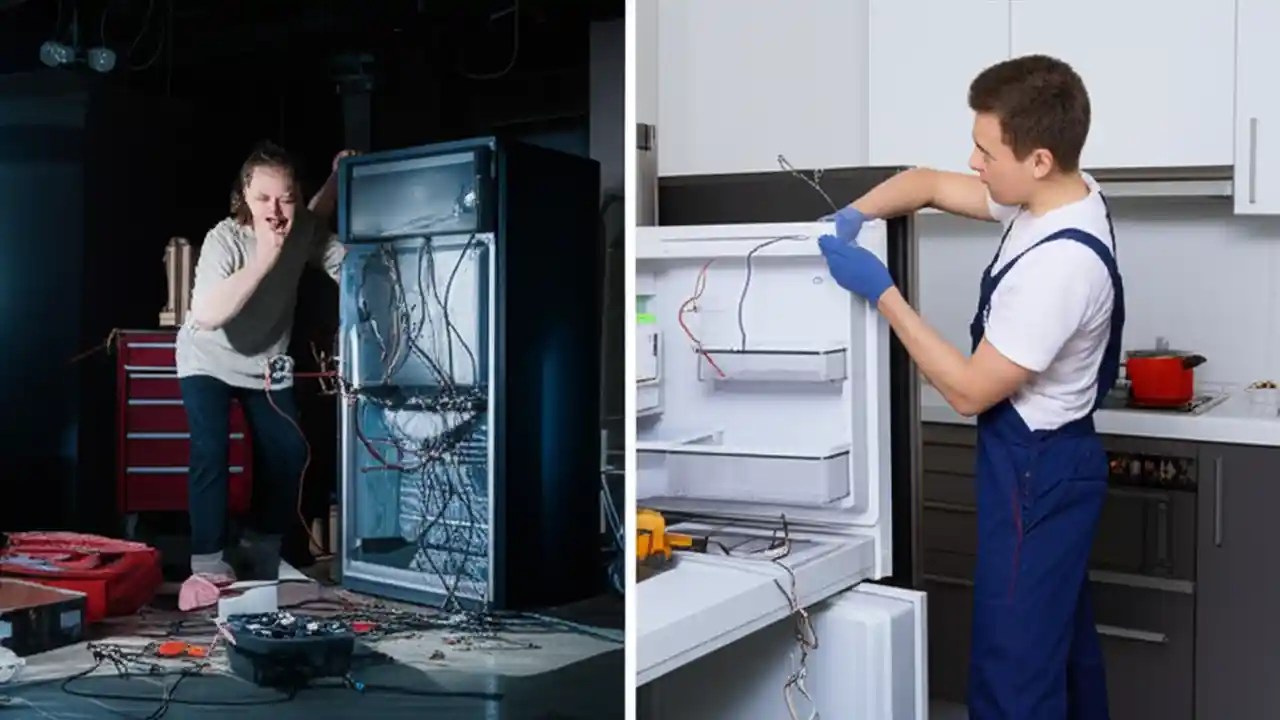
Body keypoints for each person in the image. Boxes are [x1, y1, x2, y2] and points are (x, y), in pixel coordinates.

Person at [818, 55, 1123, 719]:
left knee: (1013, 674)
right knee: (1061, 654)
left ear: (1038, 158)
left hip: (1034, 474)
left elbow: (966, 391)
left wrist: (882, 292)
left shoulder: (1060, 268)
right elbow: (928, 184)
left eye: (986, 150)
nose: (974, 161)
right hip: (1054, 463)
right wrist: (852, 215)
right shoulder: (1059, 193)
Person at [175, 141, 356, 610]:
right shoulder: (225, 240)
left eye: (286, 198)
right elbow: (207, 313)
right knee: (211, 451)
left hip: (264, 363)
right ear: (243, 199)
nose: (275, 212)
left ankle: (262, 546)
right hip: (208, 358)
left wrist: (337, 178)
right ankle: (209, 563)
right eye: (263, 199)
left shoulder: (302, 229)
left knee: (289, 451)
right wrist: (263, 259)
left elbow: (344, 259)